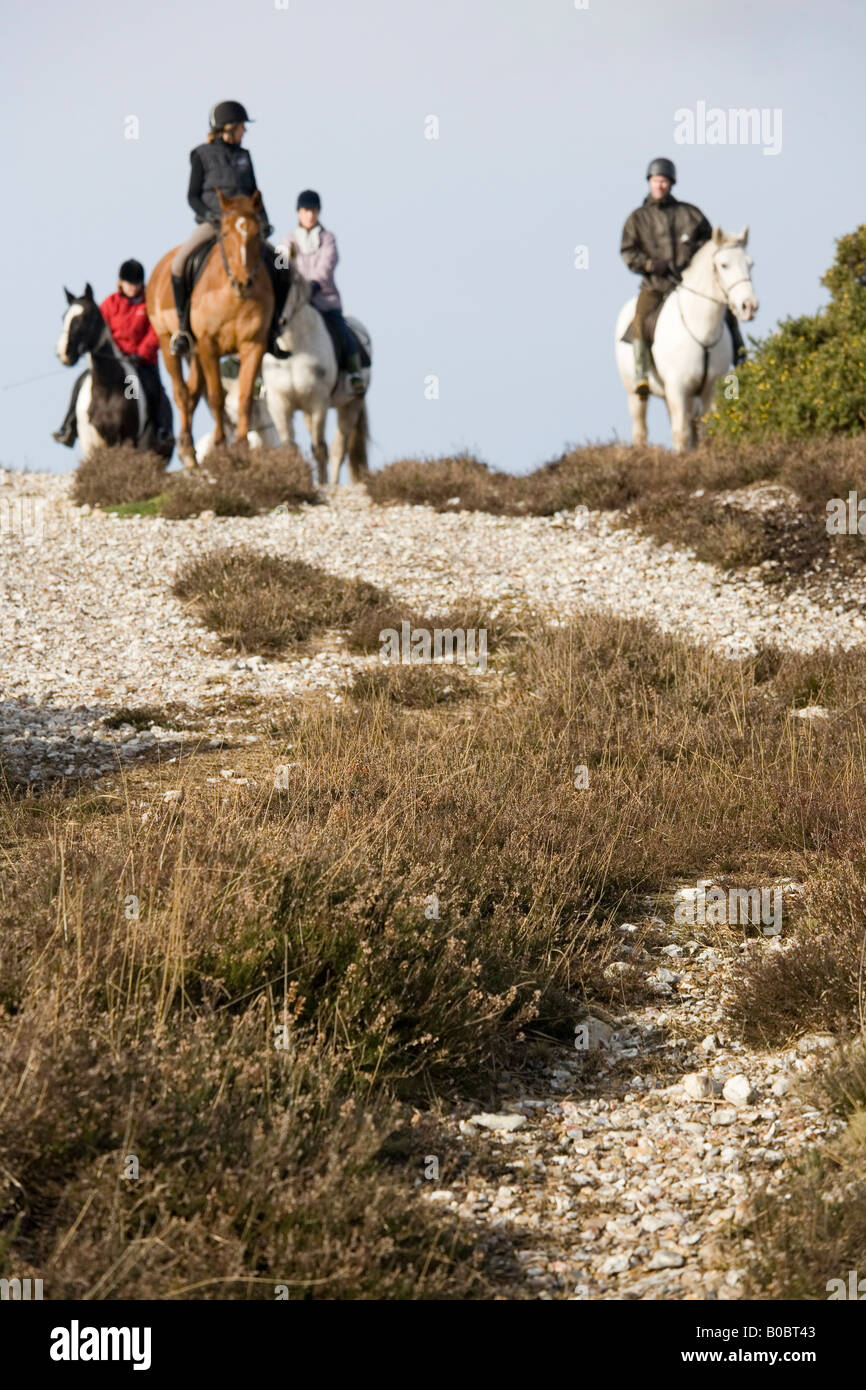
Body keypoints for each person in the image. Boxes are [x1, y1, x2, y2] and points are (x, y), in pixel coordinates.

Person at [169, 100, 289, 358]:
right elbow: (192, 197)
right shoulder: (201, 154)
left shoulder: (244, 156)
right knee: (179, 264)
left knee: (281, 265)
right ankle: (183, 331)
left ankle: (273, 329)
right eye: (241, 127)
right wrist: (209, 216)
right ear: (227, 128)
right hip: (214, 224)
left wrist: (263, 221)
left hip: (246, 224)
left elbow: (255, 192)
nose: (244, 132)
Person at [620, 157, 747, 399]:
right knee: (639, 318)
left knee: (726, 311)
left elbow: (712, 244)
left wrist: (693, 253)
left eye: (665, 181)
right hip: (656, 285)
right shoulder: (637, 219)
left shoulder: (689, 214)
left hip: (689, 283)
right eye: (657, 181)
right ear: (650, 182)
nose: (661, 185)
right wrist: (649, 264)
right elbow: (627, 252)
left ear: (671, 184)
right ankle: (641, 374)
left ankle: (740, 354)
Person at [53, 259, 173, 447]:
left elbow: (155, 332)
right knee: (81, 383)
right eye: (128, 283)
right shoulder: (109, 304)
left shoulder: (149, 304)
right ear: (121, 282)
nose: (132, 287)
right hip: (114, 360)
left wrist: (140, 353)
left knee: (154, 390)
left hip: (140, 364)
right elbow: (100, 330)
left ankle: (162, 429)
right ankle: (68, 426)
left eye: (136, 283)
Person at [280, 190, 365, 394]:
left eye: (313, 211)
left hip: (324, 299)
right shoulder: (288, 240)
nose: (310, 215)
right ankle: (259, 379)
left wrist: (313, 286)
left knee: (342, 330)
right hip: (296, 302)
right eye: (306, 210)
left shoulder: (328, 239)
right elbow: (279, 264)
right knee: (272, 331)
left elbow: (327, 266)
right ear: (299, 212)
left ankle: (354, 372)